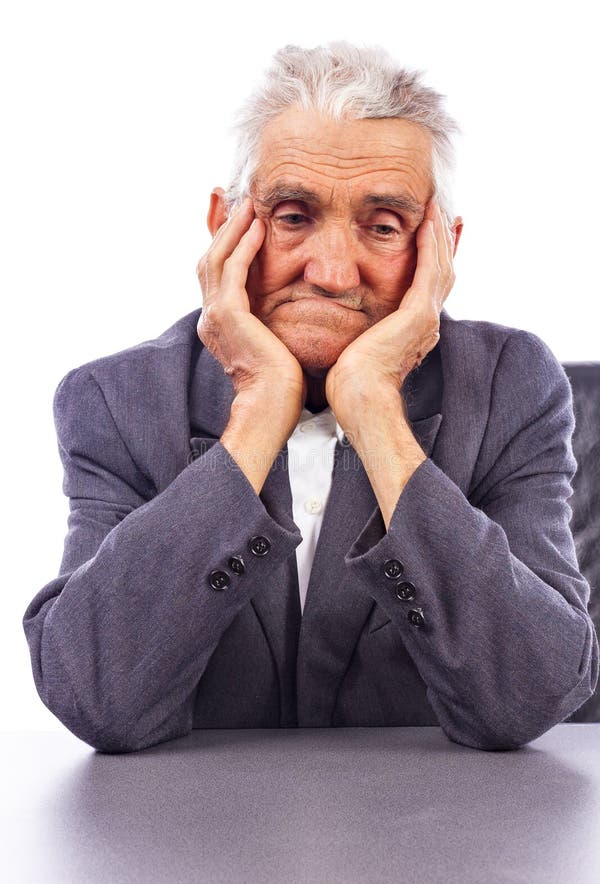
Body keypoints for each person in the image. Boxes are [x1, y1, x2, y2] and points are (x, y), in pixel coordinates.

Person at [23, 42, 598, 753]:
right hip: (195, 853)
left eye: (383, 227)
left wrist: (375, 409)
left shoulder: (511, 383)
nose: (329, 273)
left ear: (441, 250)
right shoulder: (113, 400)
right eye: (293, 216)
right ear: (222, 226)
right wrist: (259, 409)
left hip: (434, 848)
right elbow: (94, 694)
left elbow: (532, 695)